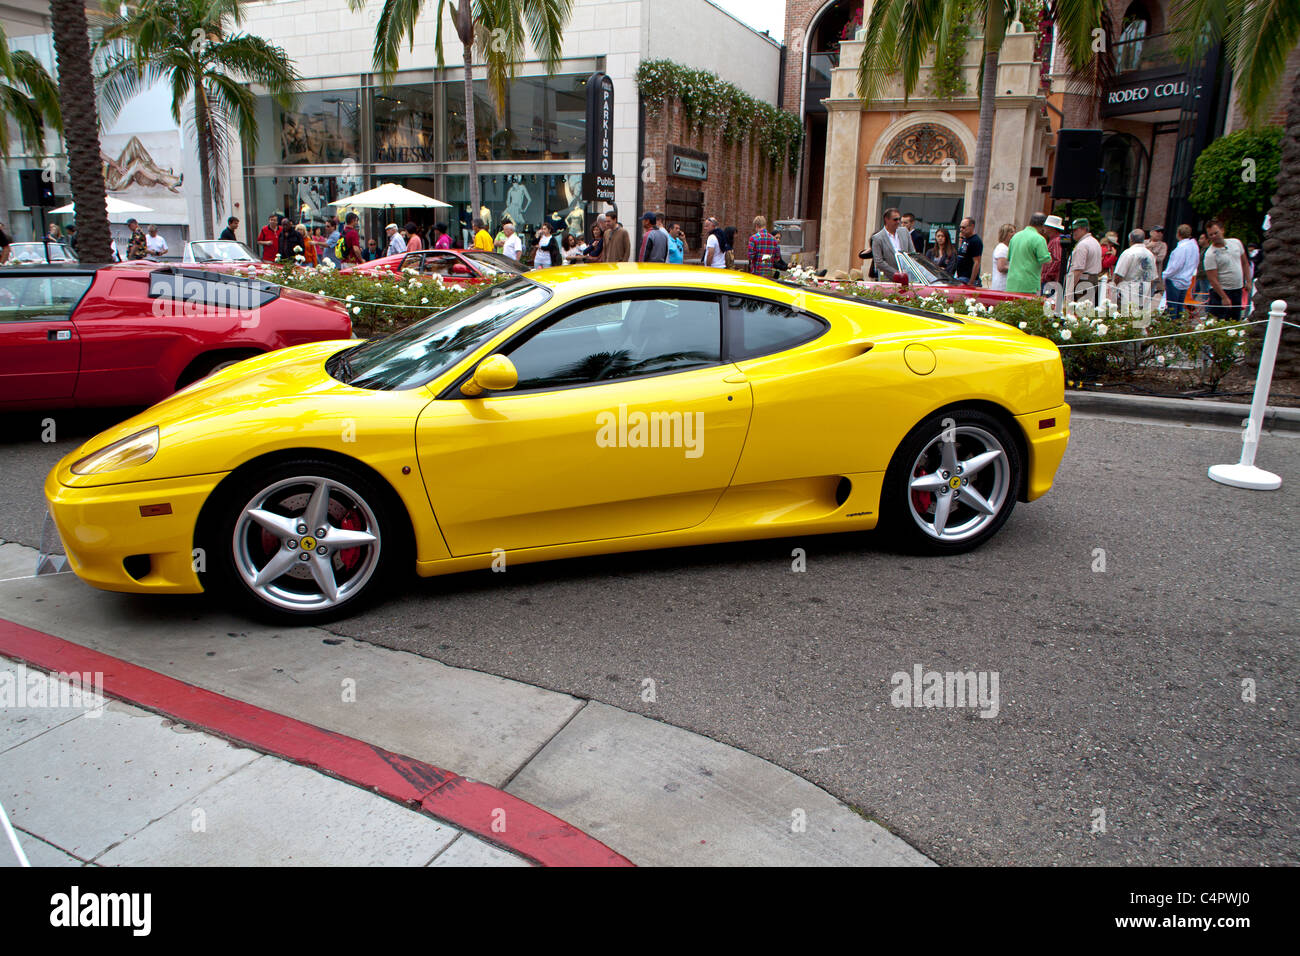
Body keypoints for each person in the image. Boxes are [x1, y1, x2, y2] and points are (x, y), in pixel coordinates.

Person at [1202, 218, 1250, 321]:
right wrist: (1223, 297)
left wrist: (1248, 281)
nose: (1214, 236)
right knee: (1218, 321)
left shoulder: (1236, 243)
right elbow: (1212, 279)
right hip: (1221, 292)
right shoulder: (1210, 254)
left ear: (1222, 230)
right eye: (1211, 235)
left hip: (1237, 289)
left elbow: (1245, 263)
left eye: (1216, 233)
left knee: (1235, 320)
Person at [1112, 228, 1157, 315]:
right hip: (1144, 290)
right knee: (1140, 319)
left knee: (1127, 317)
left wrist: (1116, 288)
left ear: (1130, 240)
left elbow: (1118, 275)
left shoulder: (1128, 253)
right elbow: (1153, 277)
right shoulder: (1150, 255)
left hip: (1128, 290)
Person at [1006, 213, 1051, 295]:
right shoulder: (1039, 239)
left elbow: (1009, 258)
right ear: (1043, 225)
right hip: (1029, 285)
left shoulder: (1015, 237)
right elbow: (1046, 261)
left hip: (1012, 284)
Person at [1161, 224, 1198, 322]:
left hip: (1175, 280)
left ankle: (1172, 331)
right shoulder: (1194, 247)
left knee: (1172, 308)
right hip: (1186, 280)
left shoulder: (1181, 249)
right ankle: (1177, 328)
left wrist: (1164, 275)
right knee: (1179, 308)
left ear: (1178, 234)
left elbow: (1175, 266)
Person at [868, 207, 914, 280]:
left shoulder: (904, 232)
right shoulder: (877, 238)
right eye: (895, 219)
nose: (898, 222)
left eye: (899, 219)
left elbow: (912, 253)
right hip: (888, 279)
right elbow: (879, 262)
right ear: (886, 219)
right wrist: (897, 273)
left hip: (907, 278)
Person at [1067, 217, 1102, 303]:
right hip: (1092, 279)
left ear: (1083, 229)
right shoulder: (1095, 242)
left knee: (1078, 309)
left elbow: (1078, 270)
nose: (1072, 233)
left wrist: (1068, 291)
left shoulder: (1082, 245)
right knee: (1086, 308)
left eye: (1075, 230)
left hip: (1083, 280)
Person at [953, 217, 982, 285]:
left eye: (964, 227)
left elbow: (977, 262)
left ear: (972, 226)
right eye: (960, 227)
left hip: (967, 278)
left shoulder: (975, 241)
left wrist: (971, 282)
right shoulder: (965, 239)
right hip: (960, 276)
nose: (961, 229)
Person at [1040, 214, 1065, 291]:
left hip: (1050, 281)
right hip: (1050, 280)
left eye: (1046, 226)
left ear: (1051, 228)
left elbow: (1057, 260)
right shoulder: (1055, 240)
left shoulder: (1056, 241)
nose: (1044, 227)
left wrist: (1047, 276)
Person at [990, 223, 1014, 291]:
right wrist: (1015, 268)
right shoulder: (1002, 248)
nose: (1014, 234)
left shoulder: (1007, 248)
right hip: (1001, 286)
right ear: (1005, 234)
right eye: (1011, 232)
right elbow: (1001, 267)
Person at [1144, 226, 1167, 293]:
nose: (1160, 234)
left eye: (1161, 232)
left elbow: (1160, 258)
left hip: (1154, 276)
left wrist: (1146, 252)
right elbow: (1137, 254)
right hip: (1142, 275)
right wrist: (1148, 246)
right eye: (1158, 232)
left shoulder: (1163, 245)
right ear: (1151, 233)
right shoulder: (1144, 242)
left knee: (1148, 297)